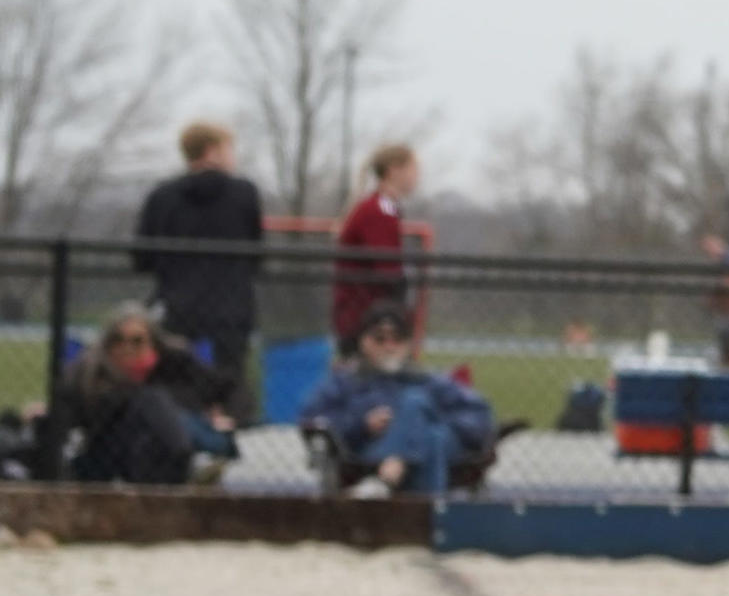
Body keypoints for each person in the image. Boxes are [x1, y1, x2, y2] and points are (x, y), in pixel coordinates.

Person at [132, 122, 268, 414]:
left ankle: (180, 431)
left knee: (175, 378)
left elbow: (141, 258)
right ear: (213, 150)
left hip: (177, 306)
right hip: (230, 309)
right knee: (230, 381)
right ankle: (227, 432)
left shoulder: (162, 196)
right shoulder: (244, 194)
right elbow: (257, 252)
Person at [300, 302, 494, 495]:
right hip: (369, 453)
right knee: (433, 438)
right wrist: (362, 425)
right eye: (380, 339)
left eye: (397, 339)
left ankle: (387, 477)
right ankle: (427, 518)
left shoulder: (429, 381)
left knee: (418, 407)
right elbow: (314, 419)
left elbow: (479, 416)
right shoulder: (345, 382)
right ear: (363, 341)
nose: (389, 346)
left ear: (408, 344)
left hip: (436, 453)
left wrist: (422, 422)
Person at [28, 305, 233, 486]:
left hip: (164, 451)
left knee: (171, 413)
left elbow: (223, 388)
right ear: (108, 345)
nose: (127, 348)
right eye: (118, 340)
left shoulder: (176, 364)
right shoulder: (91, 374)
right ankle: (206, 456)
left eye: (137, 341)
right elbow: (75, 418)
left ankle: (209, 452)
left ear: (152, 343)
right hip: (110, 454)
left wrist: (223, 414)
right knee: (151, 402)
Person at [330, 143, 425, 353]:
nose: (417, 176)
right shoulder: (378, 210)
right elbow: (388, 269)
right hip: (364, 322)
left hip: (372, 320)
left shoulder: (386, 208)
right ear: (394, 171)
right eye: (413, 169)